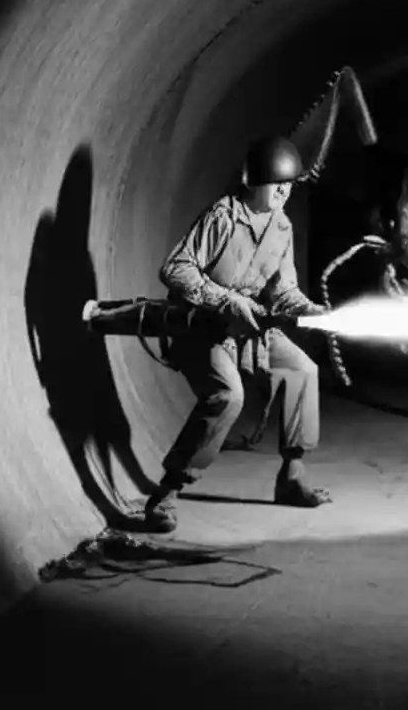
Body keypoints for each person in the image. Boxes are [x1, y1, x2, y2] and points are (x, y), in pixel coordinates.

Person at [146, 136, 332, 533]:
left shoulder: (282, 225)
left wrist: (310, 309)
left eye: (289, 184)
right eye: (276, 183)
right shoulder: (224, 216)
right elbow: (176, 268)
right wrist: (226, 300)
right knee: (228, 396)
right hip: (204, 326)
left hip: (249, 329)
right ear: (253, 182)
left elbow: (284, 289)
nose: (284, 190)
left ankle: (292, 477)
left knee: (303, 371)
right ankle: (168, 491)